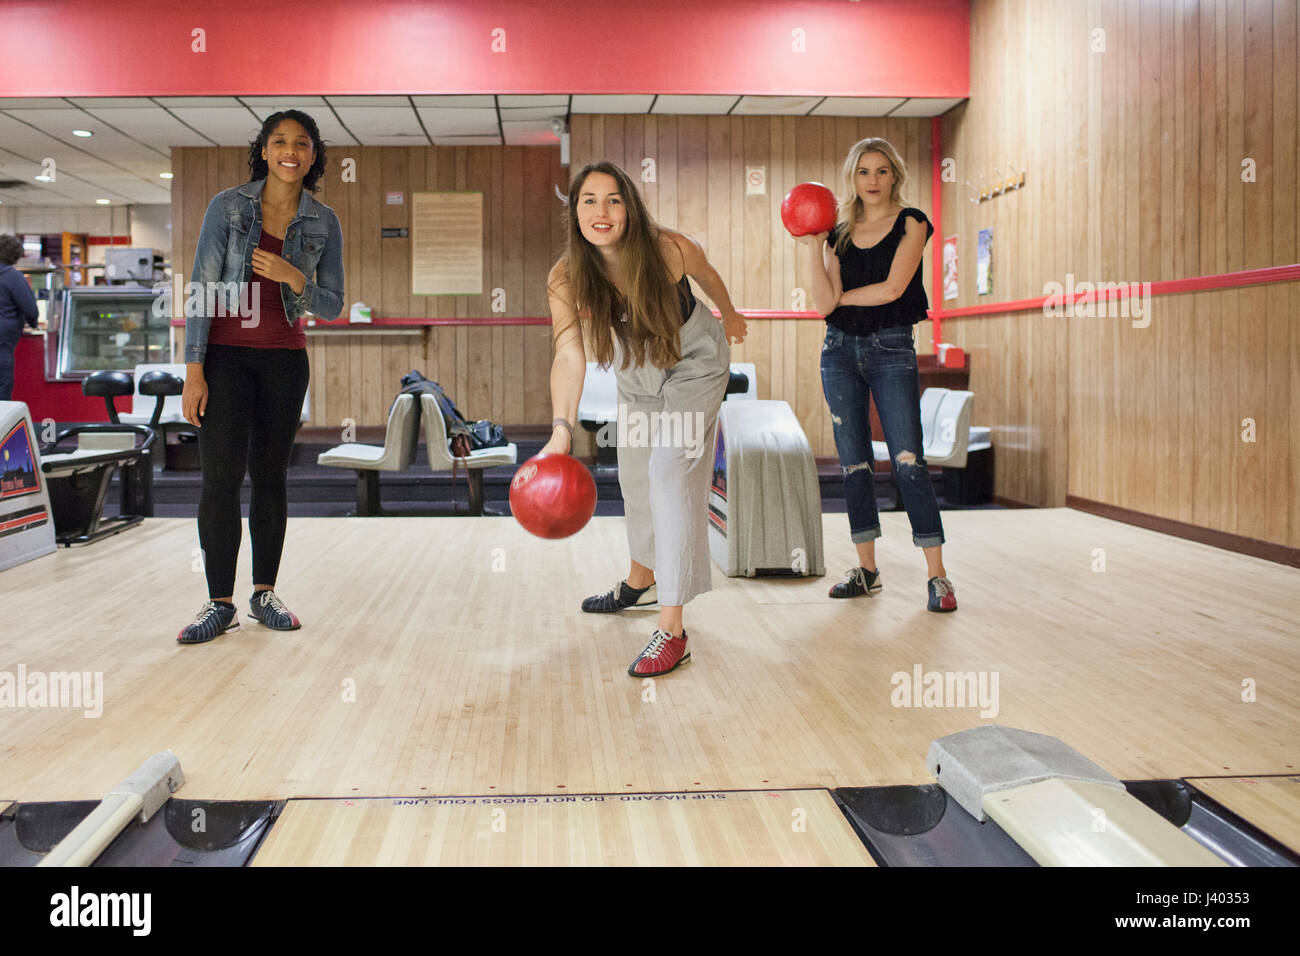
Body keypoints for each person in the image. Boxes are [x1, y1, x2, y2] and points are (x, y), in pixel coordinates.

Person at [543, 160, 748, 676]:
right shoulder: (566, 275)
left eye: (613, 199)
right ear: (575, 212)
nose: (601, 211)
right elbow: (570, 354)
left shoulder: (667, 248)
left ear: (630, 208)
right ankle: (641, 580)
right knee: (635, 476)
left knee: (668, 472)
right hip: (638, 372)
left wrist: (732, 313)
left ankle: (673, 628)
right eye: (588, 200)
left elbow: (708, 277)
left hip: (695, 363)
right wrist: (560, 431)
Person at [178, 109, 343, 643]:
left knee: (270, 478)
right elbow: (202, 288)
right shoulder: (227, 206)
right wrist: (194, 371)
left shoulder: (323, 221)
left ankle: (264, 592)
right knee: (220, 479)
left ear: (313, 155)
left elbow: (334, 304)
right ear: (265, 150)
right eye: (280, 142)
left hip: (284, 362)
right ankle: (218, 602)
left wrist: (296, 277)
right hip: (224, 360)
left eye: (301, 143)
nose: (290, 151)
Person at [796, 137, 957, 612]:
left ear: (895, 176)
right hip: (838, 352)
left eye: (882, 171)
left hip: (891, 348)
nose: (873, 180)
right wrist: (814, 248)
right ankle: (867, 571)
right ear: (854, 177)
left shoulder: (913, 222)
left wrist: (840, 298)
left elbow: (891, 290)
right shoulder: (839, 232)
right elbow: (822, 304)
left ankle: (938, 577)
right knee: (854, 465)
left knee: (909, 461)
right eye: (864, 171)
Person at [0, 235, 40, 403]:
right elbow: (30, 308)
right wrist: (33, 323)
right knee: (2, 382)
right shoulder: (12, 276)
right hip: (3, 338)